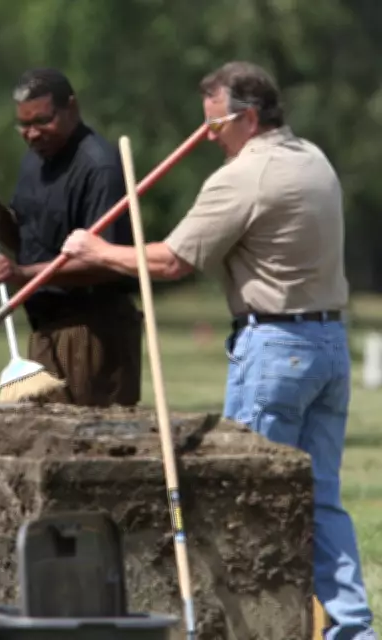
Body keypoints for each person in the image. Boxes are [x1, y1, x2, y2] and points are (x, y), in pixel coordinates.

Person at [60, 61, 376, 640]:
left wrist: (95, 250)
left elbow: (171, 261)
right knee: (321, 499)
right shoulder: (314, 158)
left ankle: (253, 629)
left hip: (275, 350)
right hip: (329, 346)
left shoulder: (246, 176)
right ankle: (352, 631)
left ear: (248, 118)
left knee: (247, 496)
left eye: (214, 125)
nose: (208, 137)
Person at [0, 67, 142, 407]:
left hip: (92, 332)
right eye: (23, 125)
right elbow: (24, 243)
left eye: (42, 121)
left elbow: (108, 263)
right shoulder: (35, 161)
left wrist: (24, 275)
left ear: (71, 108)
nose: (32, 134)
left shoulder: (98, 167)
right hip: (45, 329)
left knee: (90, 436)